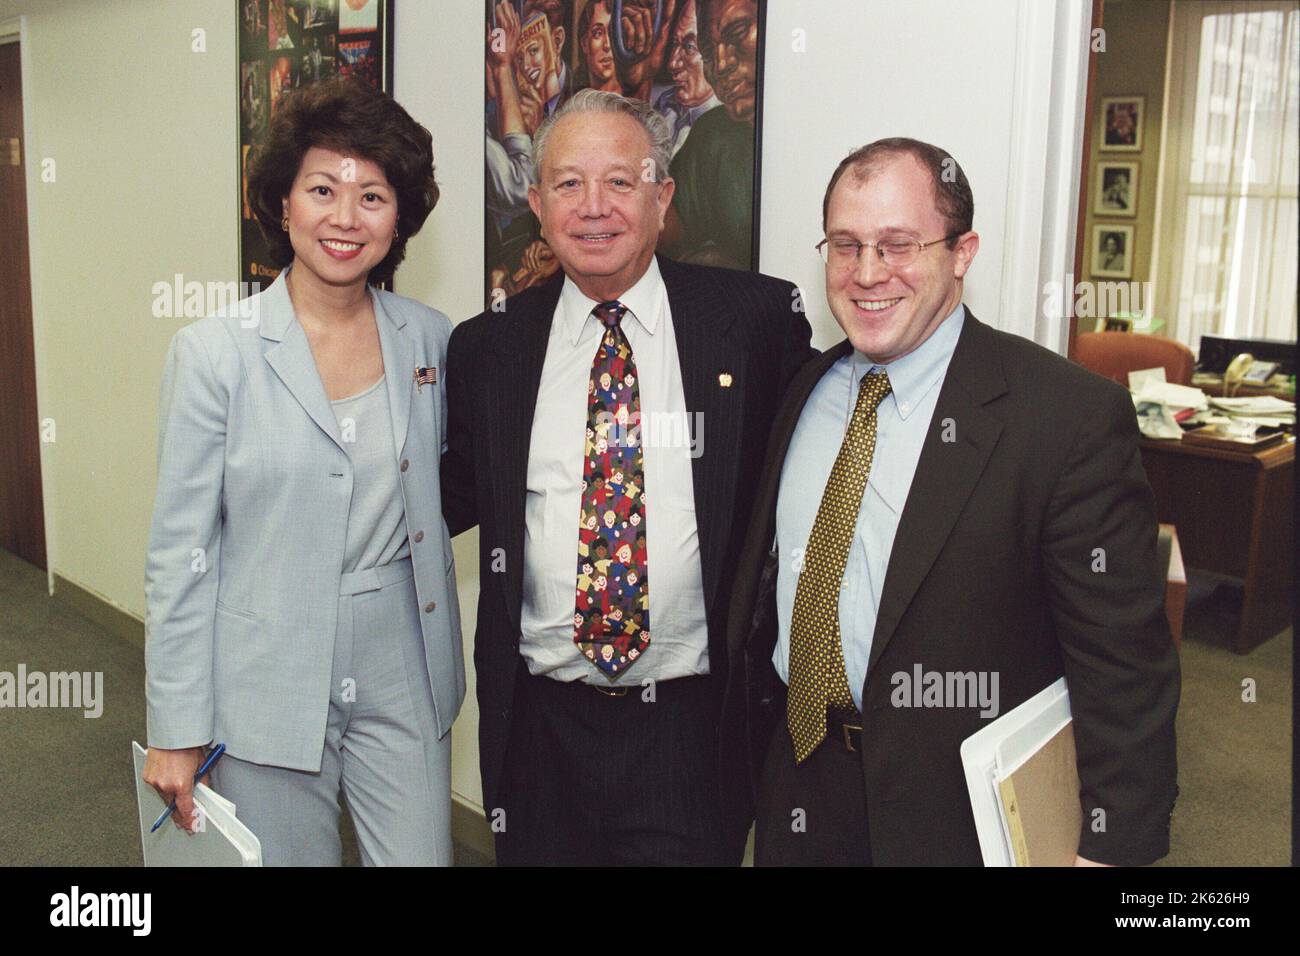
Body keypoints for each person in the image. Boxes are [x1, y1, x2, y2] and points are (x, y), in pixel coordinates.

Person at [721, 138, 1180, 866]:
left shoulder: (1064, 418)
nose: (867, 274)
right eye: (846, 245)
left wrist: (1108, 847)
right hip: (801, 780)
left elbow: (1124, 666)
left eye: (897, 245)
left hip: (956, 815)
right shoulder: (803, 390)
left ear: (962, 252)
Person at [442, 89, 814, 866]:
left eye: (620, 180)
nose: (594, 207)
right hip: (541, 726)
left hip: (691, 727)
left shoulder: (753, 322)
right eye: (568, 184)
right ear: (538, 204)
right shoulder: (489, 349)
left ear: (662, 195)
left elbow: (827, 443)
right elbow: (443, 496)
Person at [143, 78, 465, 866]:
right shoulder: (214, 352)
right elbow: (180, 557)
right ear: (283, 204)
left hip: (403, 657)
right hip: (266, 667)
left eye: (374, 195)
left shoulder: (430, 340)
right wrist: (176, 730)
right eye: (322, 189)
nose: (346, 218)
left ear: (402, 218)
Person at [663, 0, 760, 268]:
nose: (720, 64)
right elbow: (670, 234)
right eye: (707, 51)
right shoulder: (711, 135)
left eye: (738, 32)